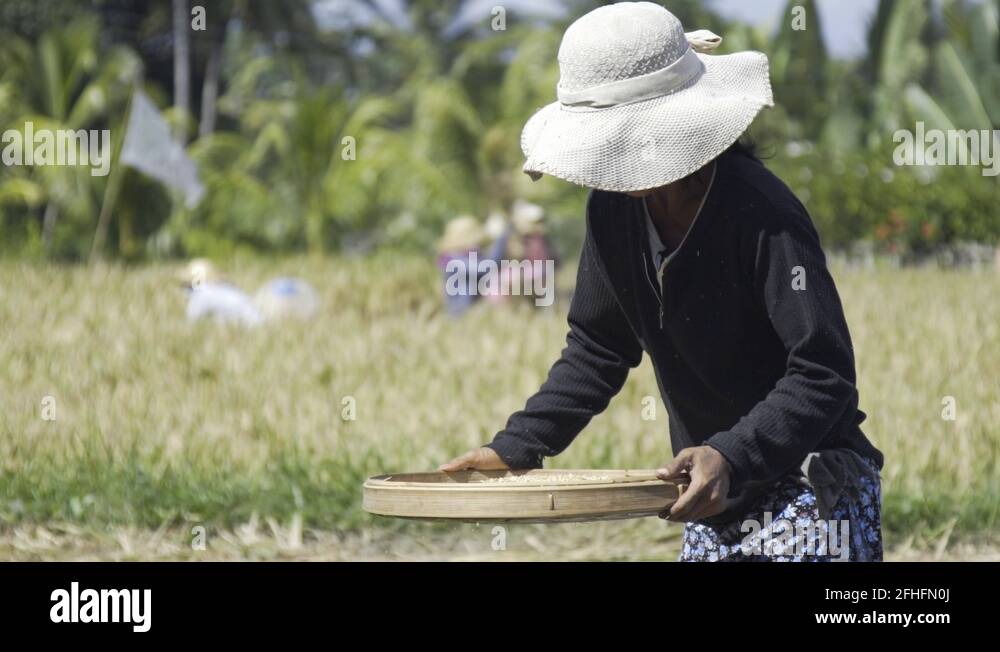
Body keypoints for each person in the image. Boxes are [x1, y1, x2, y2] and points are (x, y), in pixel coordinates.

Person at [439, 2, 884, 561]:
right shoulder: (614, 212)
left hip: (810, 490)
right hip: (711, 496)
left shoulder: (762, 214)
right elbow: (599, 346)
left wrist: (730, 455)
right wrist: (515, 448)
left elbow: (823, 371)